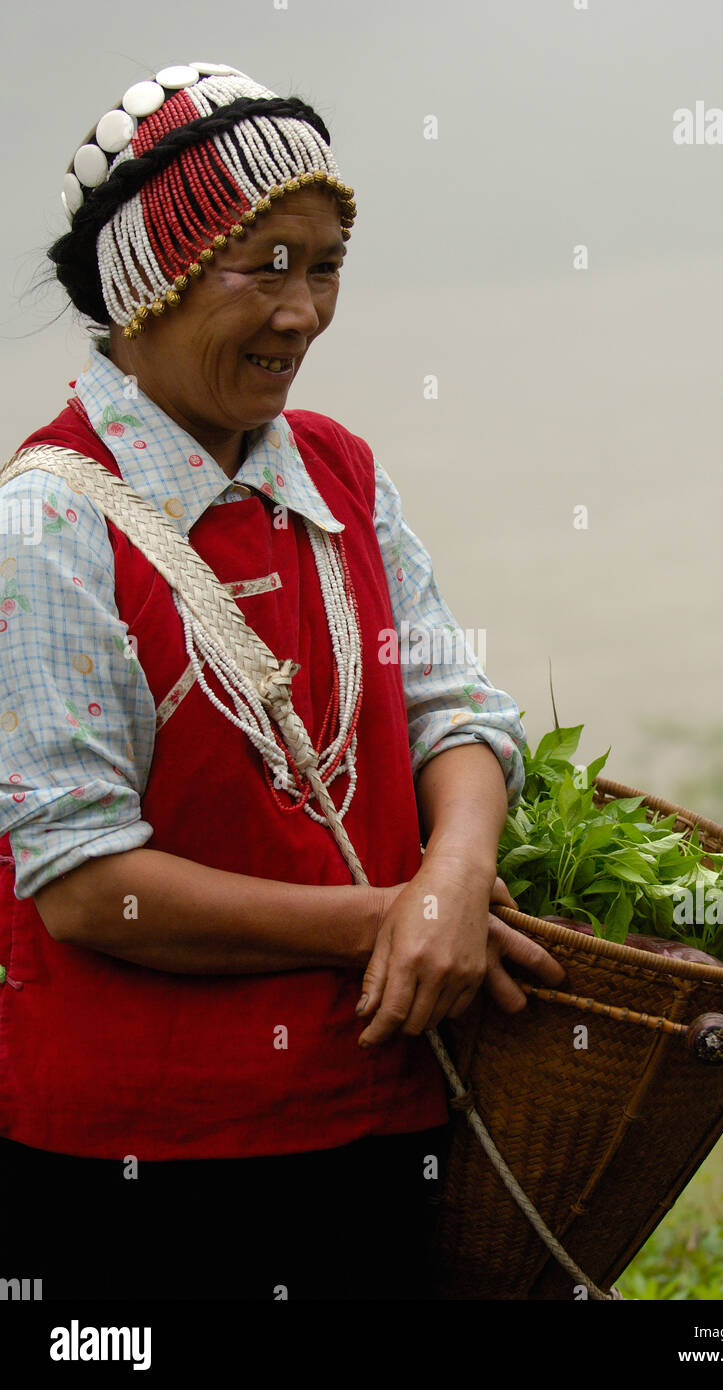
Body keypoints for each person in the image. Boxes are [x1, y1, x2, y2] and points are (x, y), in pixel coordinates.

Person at [0, 61, 565, 1301]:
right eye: (263, 266)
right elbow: (88, 886)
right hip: (149, 1164)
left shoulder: (338, 474)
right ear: (145, 279)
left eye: (324, 268)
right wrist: (389, 919)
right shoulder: (49, 524)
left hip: (376, 1116)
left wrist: (455, 877)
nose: (302, 313)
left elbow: (451, 708)